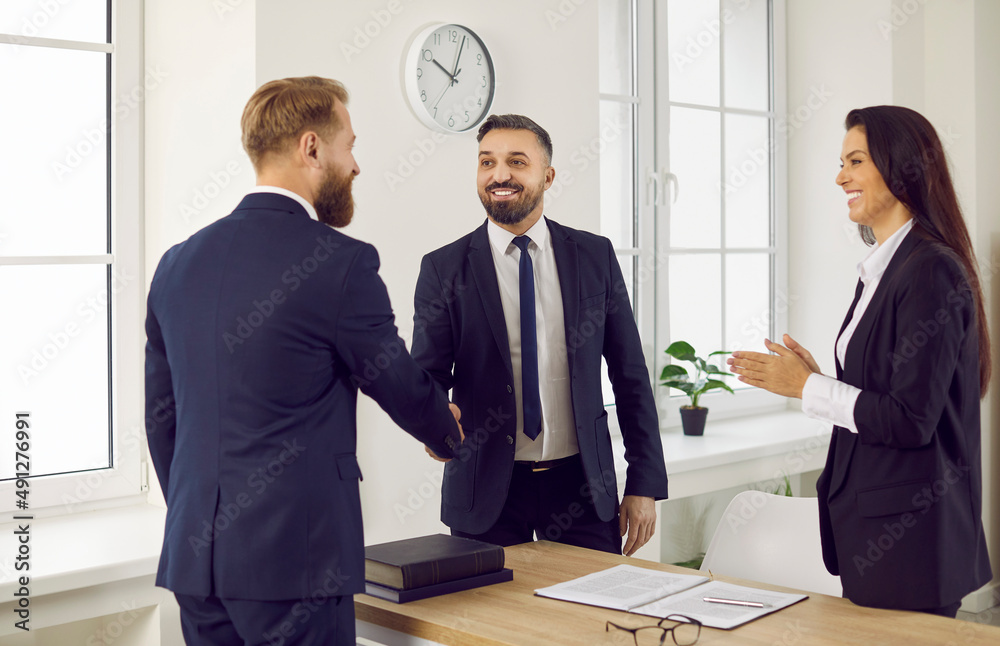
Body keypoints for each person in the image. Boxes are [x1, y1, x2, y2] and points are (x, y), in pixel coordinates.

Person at [144, 76, 463, 645]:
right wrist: (448, 432)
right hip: (295, 564)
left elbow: (161, 419)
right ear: (312, 147)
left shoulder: (177, 264)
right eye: (351, 146)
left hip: (198, 560)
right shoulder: (339, 263)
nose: (356, 165)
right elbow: (394, 379)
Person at [728, 105, 991, 617]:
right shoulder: (887, 266)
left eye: (854, 161)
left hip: (913, 543)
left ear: (900, 166)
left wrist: (807, 388)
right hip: (875, 534)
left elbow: (911, 420)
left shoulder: (930, 270)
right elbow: (888, 393)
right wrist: (817, 379)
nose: (840, 177)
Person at [411, 114, 668, 557]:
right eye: (486, 162)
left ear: (547, 176)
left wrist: (643, 483)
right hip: (486, 492)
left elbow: (630, 376)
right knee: (491, 624)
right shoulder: (443, 269)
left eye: (516, 161)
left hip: (583, 489)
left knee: (591, 622)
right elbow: (427, 375)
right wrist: (435, 423)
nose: (500, 175)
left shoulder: (594, 256)